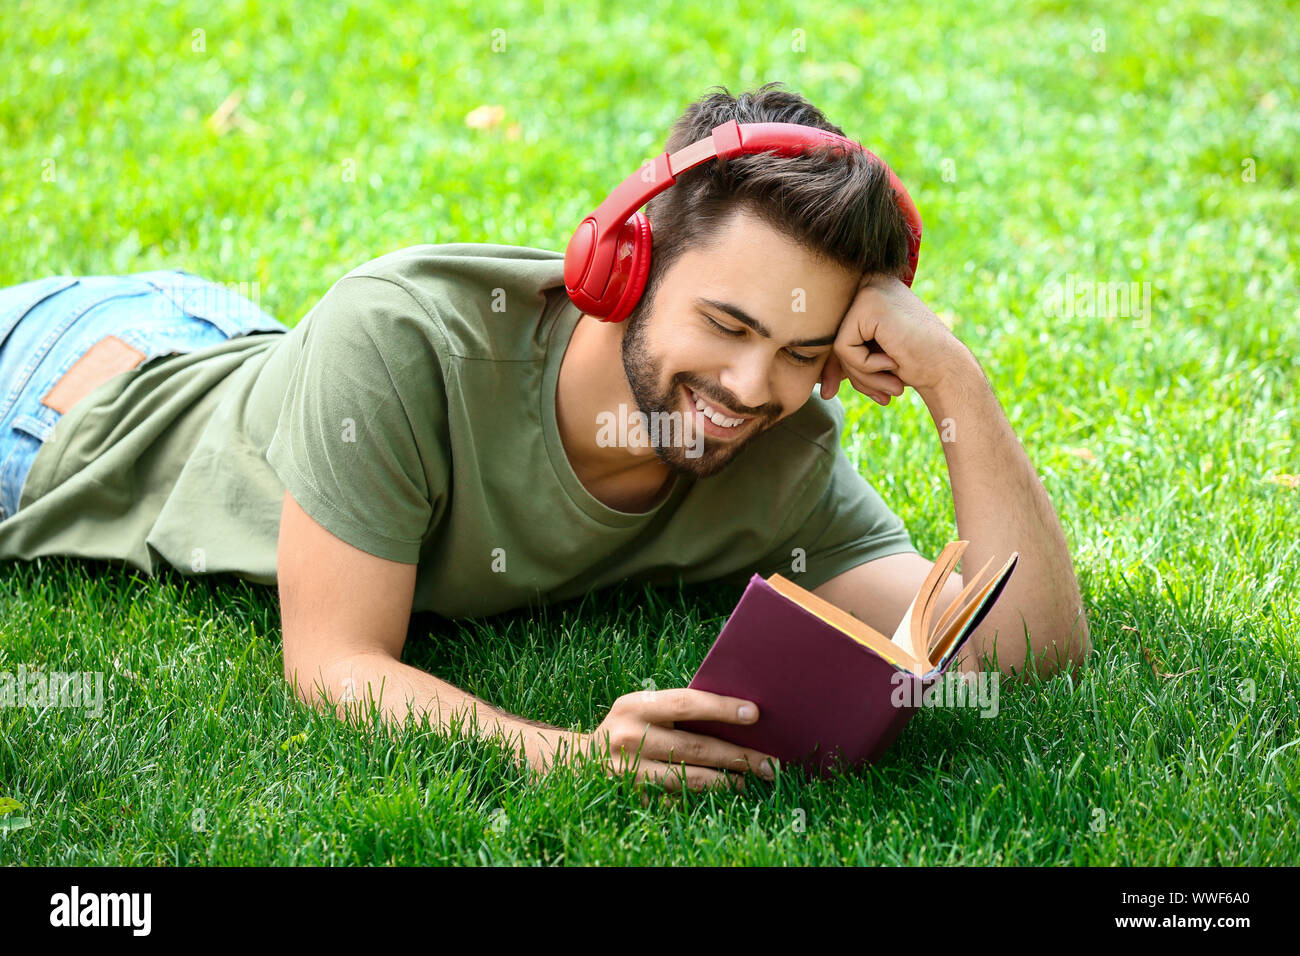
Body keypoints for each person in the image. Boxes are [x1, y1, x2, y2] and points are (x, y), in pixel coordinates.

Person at [0, 82, 1091, 794]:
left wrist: (950, 372)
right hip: (68, 395)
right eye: (725, 323)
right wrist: (578, 754)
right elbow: (335, 661)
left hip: (230, 337)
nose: (754, 386)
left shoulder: (778, 439)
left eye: (803, 348)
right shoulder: (401, 337)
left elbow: (1030, 647)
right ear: (620, 267)